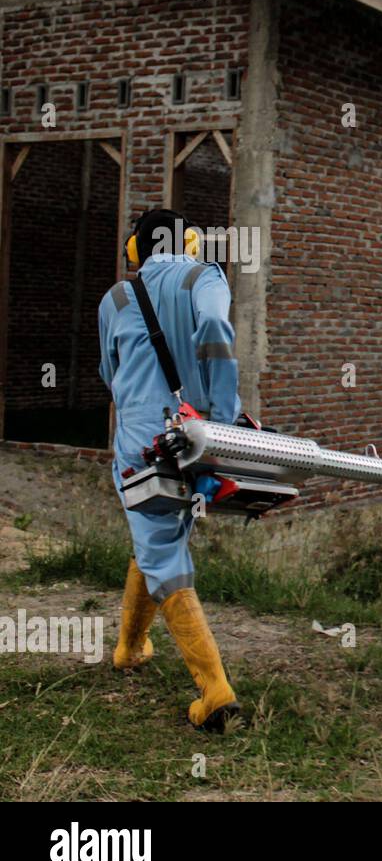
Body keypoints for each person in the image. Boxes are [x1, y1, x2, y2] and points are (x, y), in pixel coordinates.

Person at [97, 208, 241, 732]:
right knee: (156, 539)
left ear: (136, 251)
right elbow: (216, 333)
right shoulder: (205, 276)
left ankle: (215, 690)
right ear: (193, 242)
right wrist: (223, 422)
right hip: (195, 434)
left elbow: (109, 373)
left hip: (139, 442)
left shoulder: (114, 299)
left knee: (158, 542)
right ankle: (129, 649)